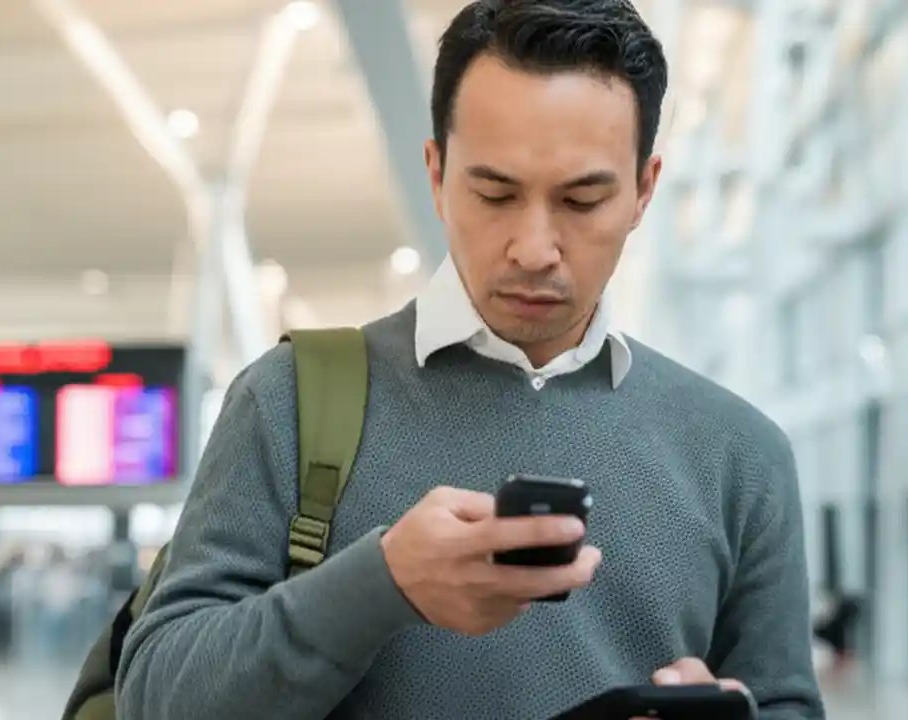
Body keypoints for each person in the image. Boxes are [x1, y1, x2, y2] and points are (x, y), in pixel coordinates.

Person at [116, 1, 824, 718]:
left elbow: (787, 703)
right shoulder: (289, 402)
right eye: (495, 192)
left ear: (644, 189)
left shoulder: (740, 455)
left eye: (582, 200)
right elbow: (155, 697)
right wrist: (383, 582)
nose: (534, 248)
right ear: (436, 173)